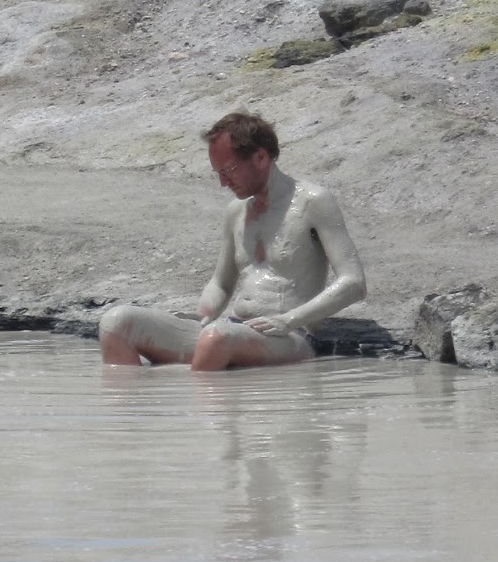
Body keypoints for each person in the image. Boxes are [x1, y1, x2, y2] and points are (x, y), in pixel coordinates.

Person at [98, 111, 366, 371]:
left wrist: (287, 320)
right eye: (218, 173)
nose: (222, 183)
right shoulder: (236, 212)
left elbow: (354, 283)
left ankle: (193, 401)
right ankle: (131, 411)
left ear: (261, 157)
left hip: (289, 336)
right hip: (230, 330)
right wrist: (204, 312)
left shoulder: (314, 201)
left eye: (228, 171)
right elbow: (221, 283)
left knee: (216, 338)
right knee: (117, 323)